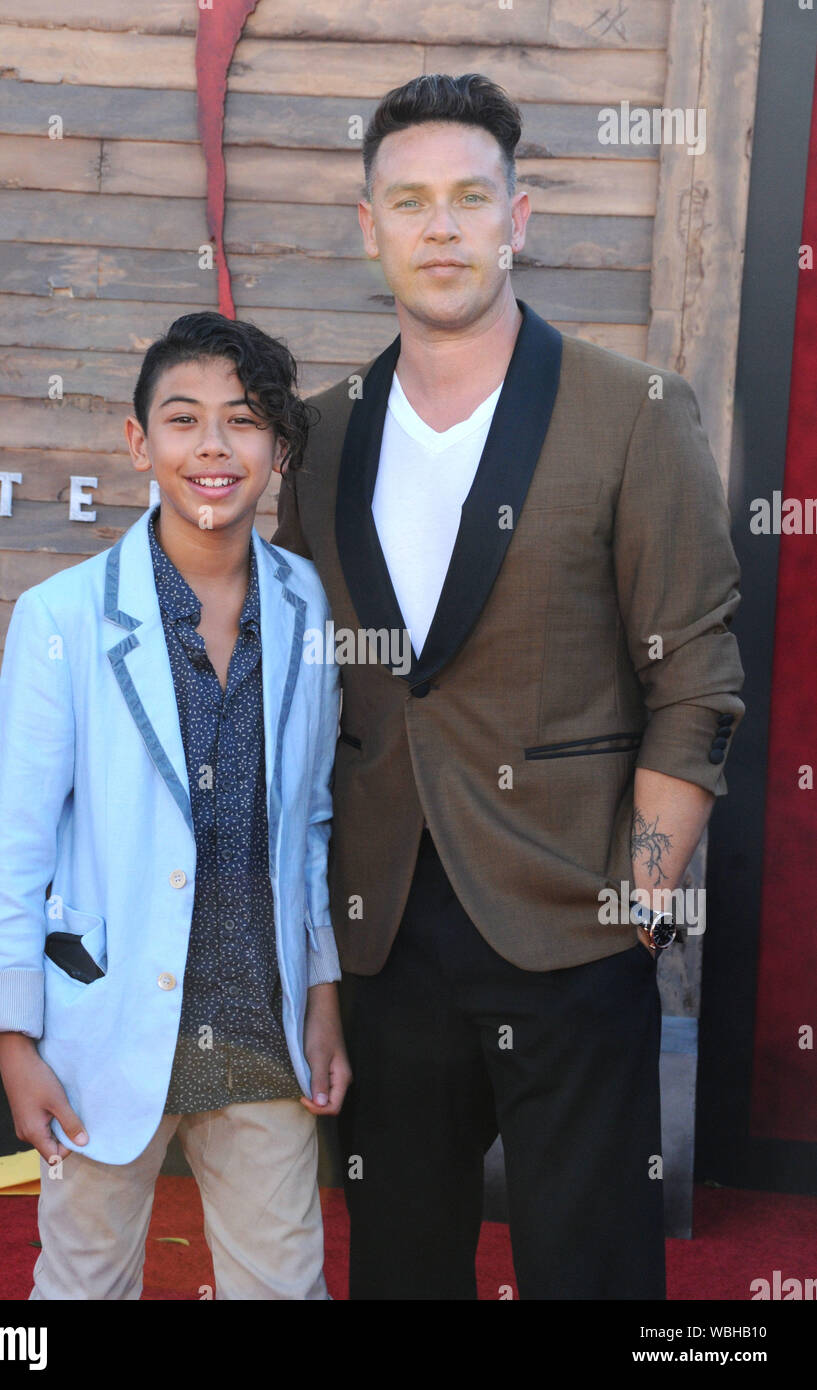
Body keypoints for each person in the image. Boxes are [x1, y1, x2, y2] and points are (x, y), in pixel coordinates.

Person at [272, 73, 745, 1300]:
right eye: (411, 201)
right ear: (365, 224)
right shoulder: (320, 437)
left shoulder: (632, 412)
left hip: (571, 917)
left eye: (469, 199)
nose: (441, 228)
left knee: (589, 1270)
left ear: (516, 219)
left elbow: (694, 675)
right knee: (401, 1268)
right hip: (383, 929)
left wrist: (642, 904)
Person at [0, 311, 351, 1300]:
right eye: (184, 419)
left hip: (261, 1025)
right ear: (140, 443)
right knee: (83, 1286)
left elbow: (307, 829)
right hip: (103, 1027)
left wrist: (323, 1001)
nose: (214, 446)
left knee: (286, 1289)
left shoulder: (306, 607)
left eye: (245, 420)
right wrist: (15, 1043)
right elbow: (19, 845)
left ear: (278, 449)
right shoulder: (61, 617)